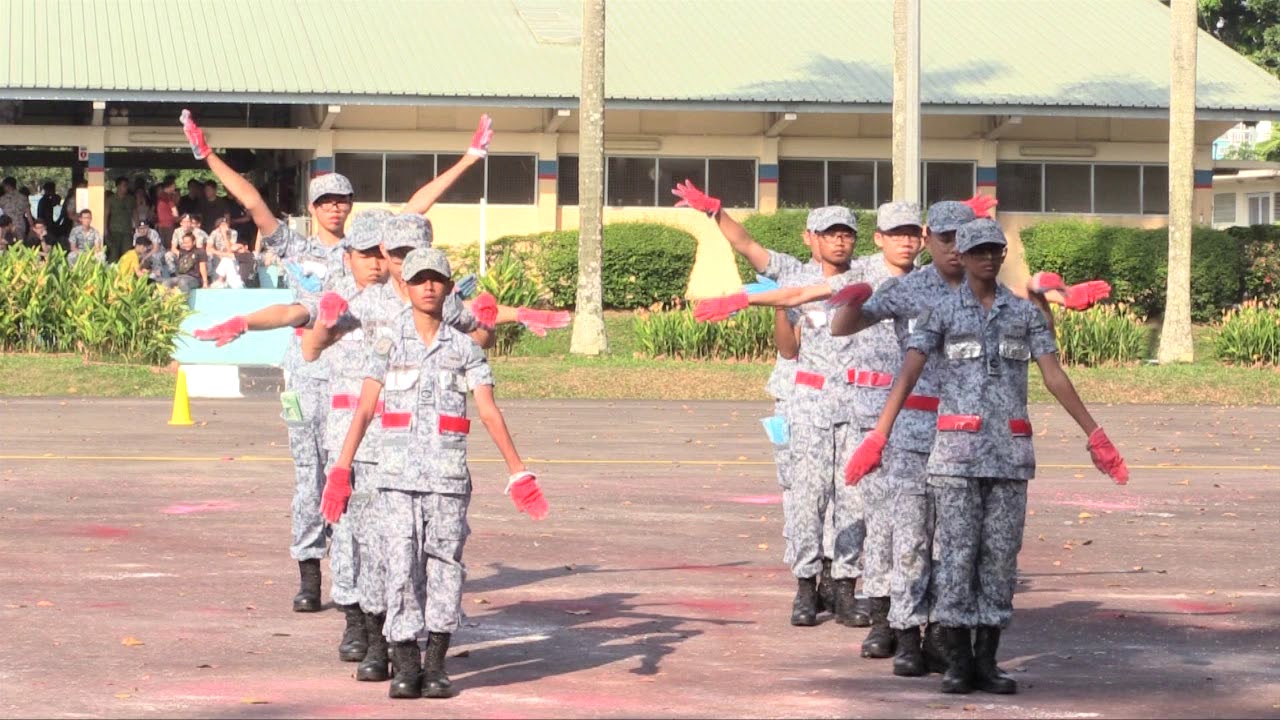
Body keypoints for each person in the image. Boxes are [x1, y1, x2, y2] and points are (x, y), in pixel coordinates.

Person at [843, 218, 1130, 695]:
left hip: (1009, 457)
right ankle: (956, 660)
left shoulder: (1024, 314)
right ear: (966, 257)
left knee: (999, 558)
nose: (988, 258)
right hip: (954, 457)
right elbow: (909, 374)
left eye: (995, 251)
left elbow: (1054, 376)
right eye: (979, 251)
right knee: (955, 556)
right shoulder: (939, 311)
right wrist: (879, 436)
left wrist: (1094, 433)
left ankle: (987, 660)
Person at [323, 247, 548, 700]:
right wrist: (342, 468)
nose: (428, 286)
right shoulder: (386, 344)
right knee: (399, 567)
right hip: (394, 480)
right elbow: (366, 408)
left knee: (446, 569)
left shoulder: (463, 348)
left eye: (437, 279)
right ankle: (404, 663)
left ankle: (436, 665)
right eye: (419, 279)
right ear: (404, 286)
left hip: (446, 483)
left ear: (448, 288)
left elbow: (487, 411)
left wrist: (518, 471)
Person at [673, 179, 870, 628]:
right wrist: (714, 211)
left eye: (847, 232)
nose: (840, 239)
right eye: (830, 232)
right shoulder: (792, 274)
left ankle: (843, 586)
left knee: (853, 500)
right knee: (807, 497)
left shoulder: (868, 278)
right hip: (807, 404)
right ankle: (806, 585)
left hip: (859, 405)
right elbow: (746, 246)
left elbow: (908, 256)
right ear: (810, 238)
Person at [105, 177, 135, 261]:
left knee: (127, 253)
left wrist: (136, 227)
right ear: (118, 186)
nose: (126, 188)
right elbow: (106, 214)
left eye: (126, 186)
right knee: (114, 253)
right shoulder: (110, 199)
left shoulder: (131, 199)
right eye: (124, 185)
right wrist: (105, 229)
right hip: (114, 230)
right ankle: (113, 272)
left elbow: (135, 213)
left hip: (127, 231)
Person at [0, 176, 33, 240]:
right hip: (21, 225)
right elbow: (29, 215)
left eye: (4, 186)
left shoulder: (2, 199)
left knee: (7, 245)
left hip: (7, 226)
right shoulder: (24, 198)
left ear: (8, 186)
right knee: (20, 244)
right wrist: (32, 226)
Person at [155, 177, 179, 248]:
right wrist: (179, 217)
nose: (175, 187)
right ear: (171, 186)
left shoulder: (160, 195)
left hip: (161, 225)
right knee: (169, 246)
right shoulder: (168, 197)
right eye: (174, 185)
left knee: (163, 245)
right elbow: (175, 212)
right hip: (169, 225)